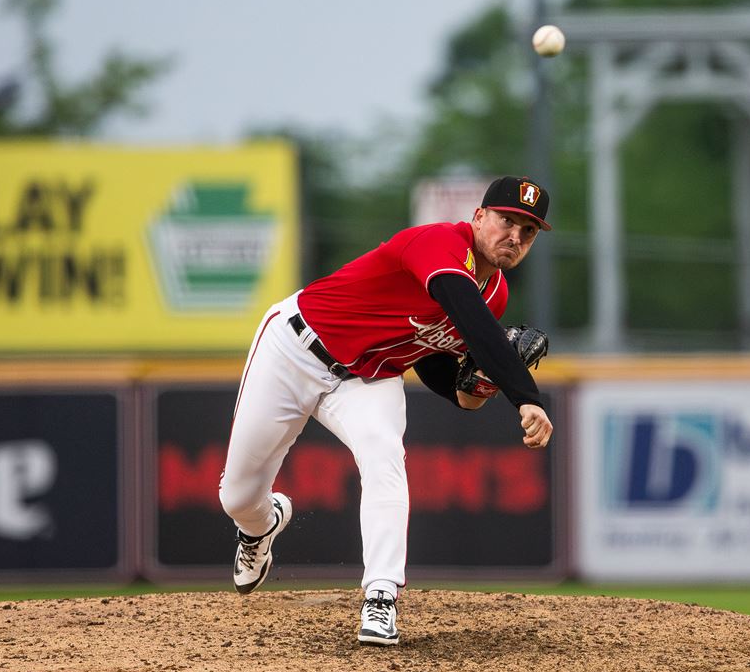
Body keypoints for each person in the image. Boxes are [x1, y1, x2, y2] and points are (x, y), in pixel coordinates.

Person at [217, 175, 554, 646]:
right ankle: (261, 526)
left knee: (385, 457)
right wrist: (526, 395)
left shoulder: (494, 295)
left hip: (367, 377)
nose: (515, 236)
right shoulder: (439, 243)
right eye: (506, 221)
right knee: (236, 498)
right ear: (479, 217)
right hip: (293, 349)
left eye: (528, 231)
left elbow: (433, 361)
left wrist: (471, 391)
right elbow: (471, 319)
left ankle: (381, 596)